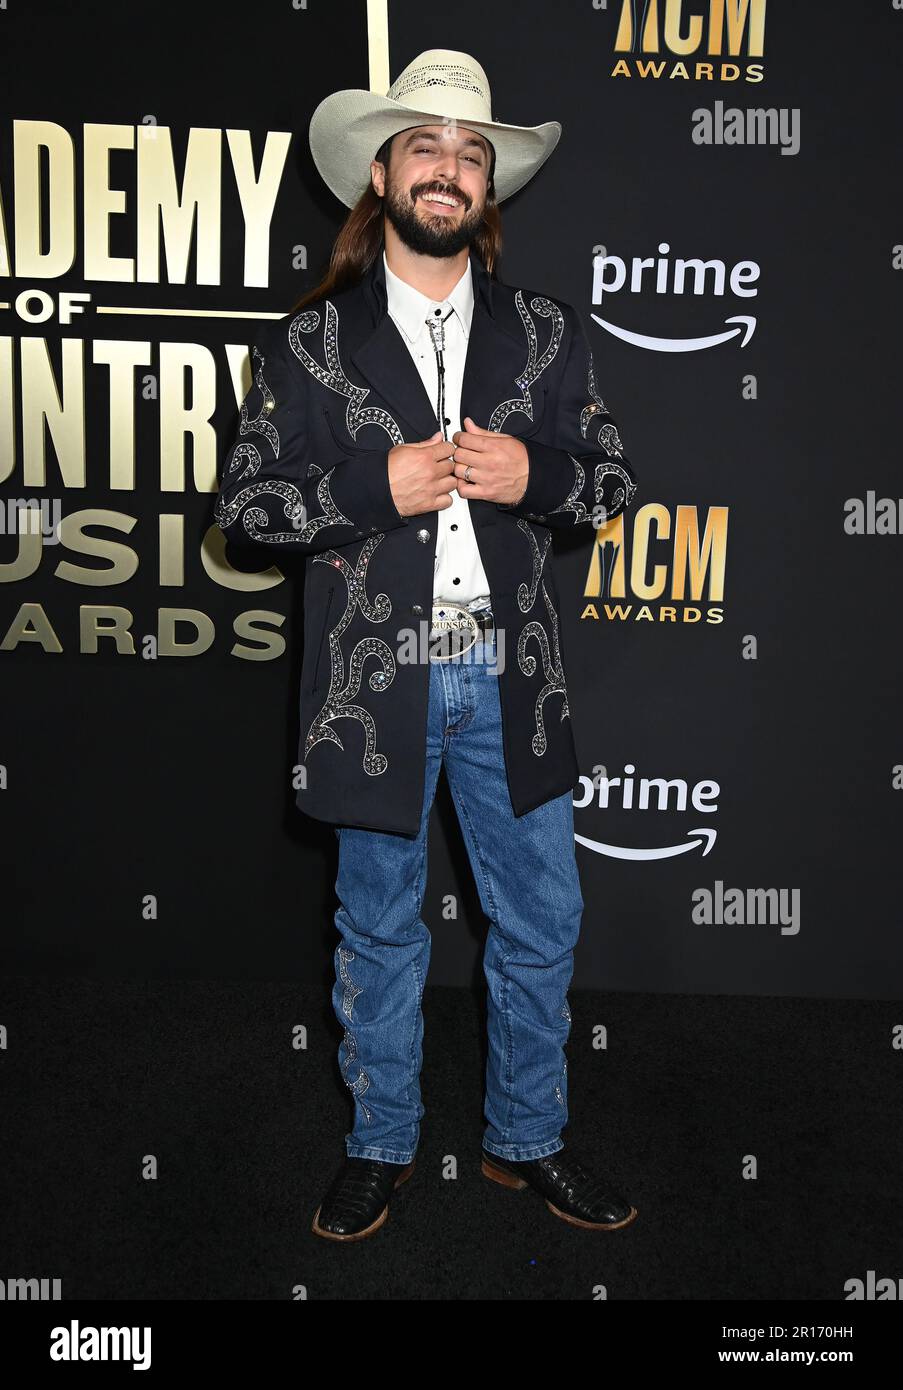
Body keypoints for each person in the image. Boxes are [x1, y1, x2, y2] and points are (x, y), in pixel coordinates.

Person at [216, 48, 640, 1241]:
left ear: (486, 187)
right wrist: (372, 485)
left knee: (542, 920)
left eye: (470, 153)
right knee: (380, 927)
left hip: (516, 686)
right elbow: (246, 508)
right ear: (384, 174)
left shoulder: (549, 335)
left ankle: (527, 1139)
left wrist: (538, 473)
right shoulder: (308, 346)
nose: (448, 169)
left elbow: (610, 482)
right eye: (426, 147)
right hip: (372, 690)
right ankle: (380, 1142)